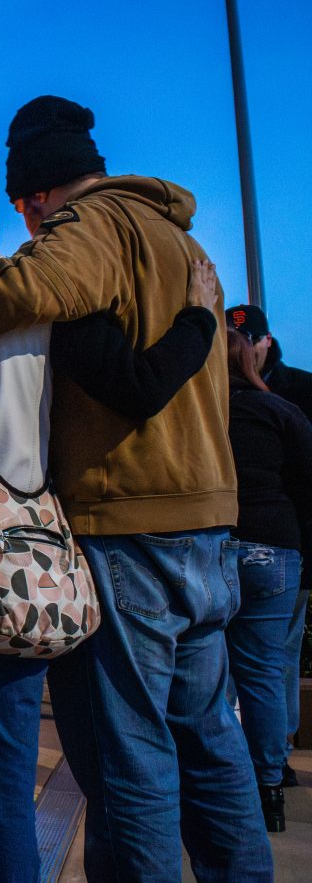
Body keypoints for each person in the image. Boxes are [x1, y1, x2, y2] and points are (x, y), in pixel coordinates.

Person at [0, 97, 271, 881]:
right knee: (204, 744)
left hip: (117, 524)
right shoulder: (188, 249)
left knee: (121, 760)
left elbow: (23, 293)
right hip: (190, 528)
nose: (29, 229)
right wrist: (201, 331)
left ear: (37, 194)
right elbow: (146, 375)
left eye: (28, 209)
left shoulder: (82, 237)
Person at [222, 328, 312, 832]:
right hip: (275, 548)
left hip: (213, 545)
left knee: (207, 672)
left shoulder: (202, 415)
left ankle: (219, 782)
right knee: (265, 673)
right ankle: (269, 787)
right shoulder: (282, 411)